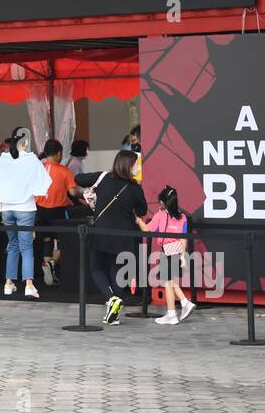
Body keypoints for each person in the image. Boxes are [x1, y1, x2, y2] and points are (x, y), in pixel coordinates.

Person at [74, 150, 148, 325]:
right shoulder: (135, 188)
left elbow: (79, 179)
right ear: (129, 165)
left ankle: (111, 300)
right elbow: (142, 211)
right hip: (125, 236)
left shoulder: (104, 178)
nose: (138, 167)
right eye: (137, 164)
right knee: (118, 272)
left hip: (101, 232)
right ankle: (113, 308)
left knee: (96, 268)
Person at [0, 127, 52, 299]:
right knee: (26, 246)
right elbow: (45, 182)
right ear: (26, 141)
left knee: (12, 245)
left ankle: (9, 283)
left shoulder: (4, 158)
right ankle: (29, 285)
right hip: (25, 208)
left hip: (7, 209)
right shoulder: (31, 159)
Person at [136, 186, 195, 325]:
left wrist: (139, 221)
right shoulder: (182, 217)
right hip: (177, 251)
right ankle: (184, 303)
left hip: (167, 251)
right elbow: (183, 238)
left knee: (167, 282)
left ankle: (172, 313)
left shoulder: (160, 216)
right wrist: (183, 256)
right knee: (169, 281)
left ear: (162, 202)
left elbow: (148, 230)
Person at [34, 139, 79, 286]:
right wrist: (80, 194)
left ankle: (49, 269)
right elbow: (73, 191)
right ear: (59, 153)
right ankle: (52, 264)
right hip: (58, 211)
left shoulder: (38, 169)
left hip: (40, 211)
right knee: (61, 243)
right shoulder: (65, 171)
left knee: (46, 240)